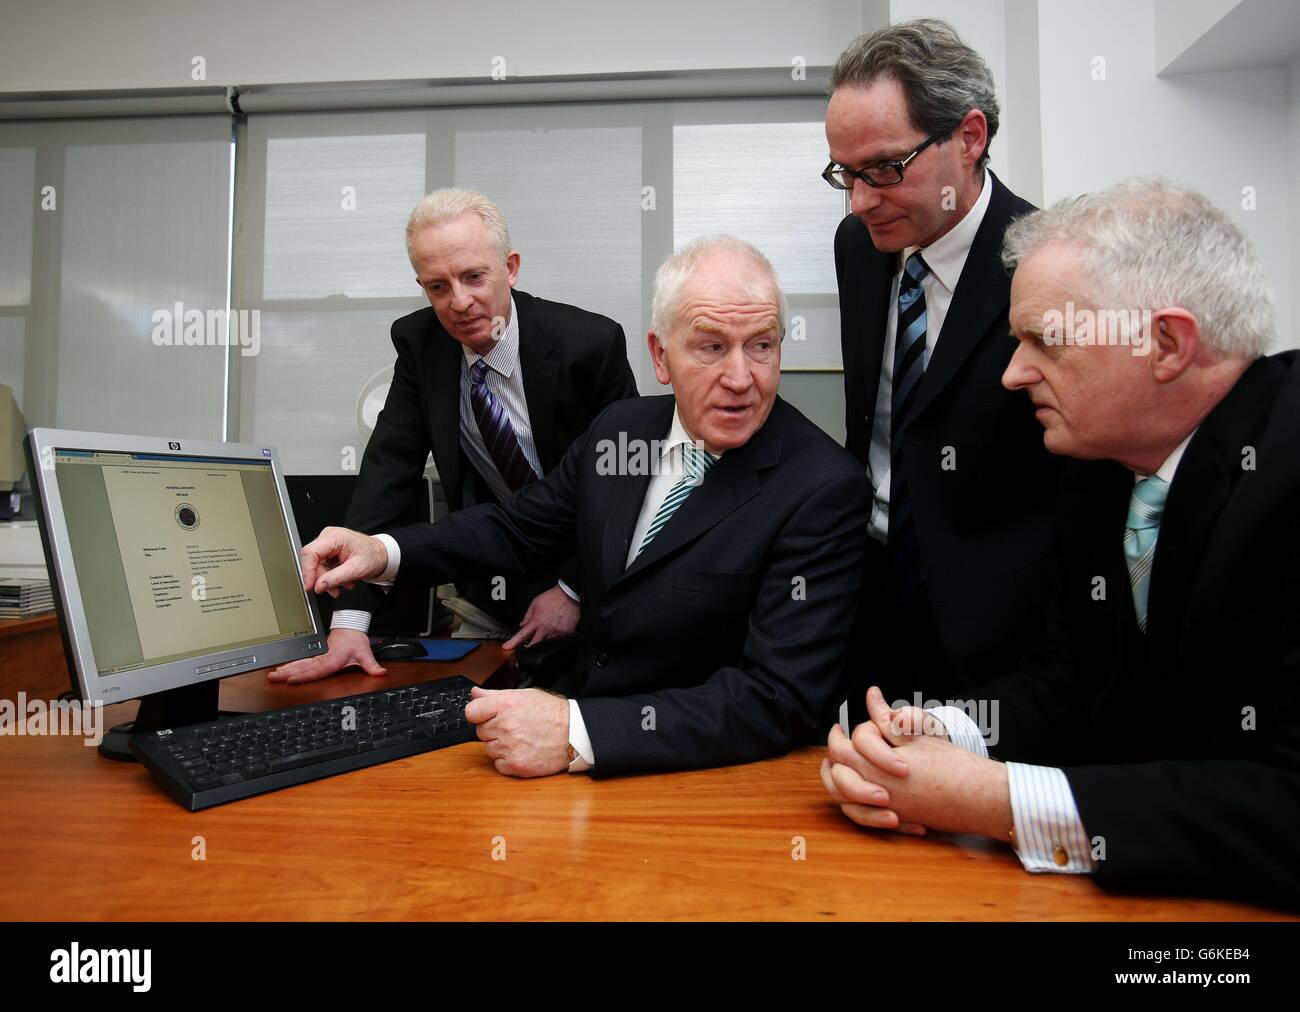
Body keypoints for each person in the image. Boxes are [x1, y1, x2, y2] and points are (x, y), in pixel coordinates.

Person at [821, 178, 1300, 906]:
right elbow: (1070, 679)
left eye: (1044, 341)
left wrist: (999, 801)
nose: (1013, 374)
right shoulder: (1098, 470)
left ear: (1166, 343)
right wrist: (947, 735)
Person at [298, 236, 870, 777]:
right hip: (582, 766)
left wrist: (578, 729)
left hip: (705, 779)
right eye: (712, 347)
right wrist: (381, 551)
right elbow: (515, 527)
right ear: (661, 356)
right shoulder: (620, 432)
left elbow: (778, 701)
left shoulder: (822, 487)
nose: (742, 378)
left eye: (762, 346)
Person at [271, 187, 637, 685]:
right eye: (437, 287)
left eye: (474, 277)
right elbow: (386, 477)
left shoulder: (590, 345)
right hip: (488, 583)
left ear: (510, 267)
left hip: (594, 575)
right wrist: (350, 623)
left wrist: (573, 589)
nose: (459, 303)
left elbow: (627, 486)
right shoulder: (421, 345)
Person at [825, 20, 1060, 706]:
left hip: (996, 628)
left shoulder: (1044, 265)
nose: (861, 199)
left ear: (970, 136)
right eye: (845, 172)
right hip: (867, 593)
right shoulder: (858, 245)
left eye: (885, 169)